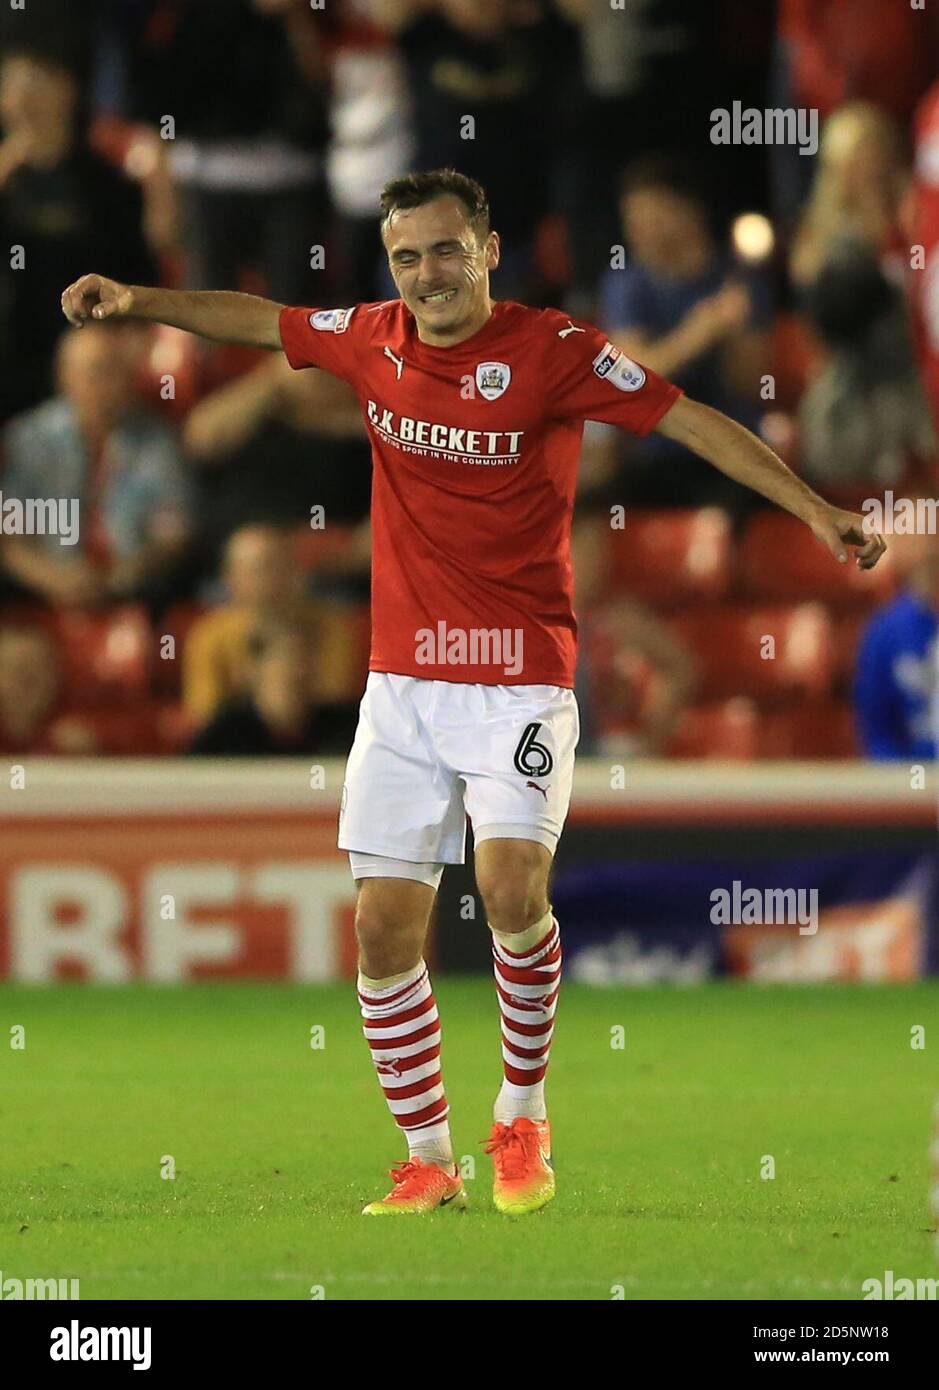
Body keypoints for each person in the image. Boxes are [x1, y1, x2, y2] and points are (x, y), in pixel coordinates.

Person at [60, 165, 886, 1218]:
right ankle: (427, 1156)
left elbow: (687, 420)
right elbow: (261, 321)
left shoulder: (554, 353)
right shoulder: (372, 337)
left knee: (508, 892)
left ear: (489, 251)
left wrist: (814, 510)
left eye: (446, 250)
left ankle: (523, 1115)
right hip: (402, 686)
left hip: (520, 683)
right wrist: (142, 301)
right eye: (406, 256)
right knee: (380, 932)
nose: (426, 274)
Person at [1, 321, 193, 612]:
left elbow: (175, 531)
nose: (108, 385)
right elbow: (9, 535)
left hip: (133, 597)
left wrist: (129, 572)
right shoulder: (28, 439)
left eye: (117, 372)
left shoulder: (157, 440)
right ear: (64, 376)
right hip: (40, 599)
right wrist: (52, 577)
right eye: (96, 372)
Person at [182, 523, 360, 728]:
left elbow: (336, 700)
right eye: (260, 569)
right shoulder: (208, 635)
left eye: (283, 566)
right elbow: (203, 715)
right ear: (230, 579)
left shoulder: (333, 626)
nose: (273, 579)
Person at [187, 619, 359, 756]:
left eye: (305, 659)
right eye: (286, 658)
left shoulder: (344, 729)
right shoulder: (225, 735)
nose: (298, 671)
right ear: (254, 668)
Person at [855, 527, 938, 762]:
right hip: (910, 779)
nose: (928, 546)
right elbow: (876, 729)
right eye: (917, 535)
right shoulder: (886, 630)